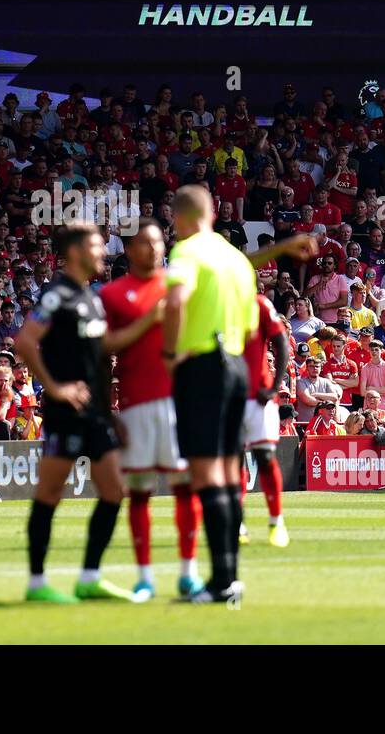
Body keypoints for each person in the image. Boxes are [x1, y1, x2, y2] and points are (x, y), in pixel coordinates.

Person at [14, 223, 133, 604]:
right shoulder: (56, 295)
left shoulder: (90, 297)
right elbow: (25, 341)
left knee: (114, 491)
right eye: (98, 246)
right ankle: (36, 584)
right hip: (65, 412)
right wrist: (53, 387)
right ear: (78, 250)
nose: (104, 252)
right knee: (50, 493)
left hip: (95, 411)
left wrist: (109, 411)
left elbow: (97, 360)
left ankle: (90, 577)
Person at [160, 185, 260, 604]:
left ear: (177, 217)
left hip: (203, 366)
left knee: (206, 476)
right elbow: (253, 326)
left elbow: (176, 299)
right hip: (235, 365)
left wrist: (170, 352)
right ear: (214, 212)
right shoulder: (236, 258)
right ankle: (229, 579)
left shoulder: (187, 252)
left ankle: (221, 583)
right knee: (224, 473)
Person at [98, 218, 205, 601]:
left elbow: (194, 342)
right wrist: (106, 409)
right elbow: (103, 348)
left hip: (177, 403)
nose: (154, 249)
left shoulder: (178, 289)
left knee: (184, 487)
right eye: (145, 243)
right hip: (135, 405)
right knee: (140, 490)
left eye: (158, 242)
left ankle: (188, 574)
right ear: (128, 250)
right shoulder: (112, 294)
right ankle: (144, 576)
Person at [238, 293, 292, 547]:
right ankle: (238, 524)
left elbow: (281, 342)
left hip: (259, 396)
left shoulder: (258, 303)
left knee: (265, 457)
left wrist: (273, 386)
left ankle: (276, 521)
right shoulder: (213, 301)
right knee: (232, 461)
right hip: (229, 397)